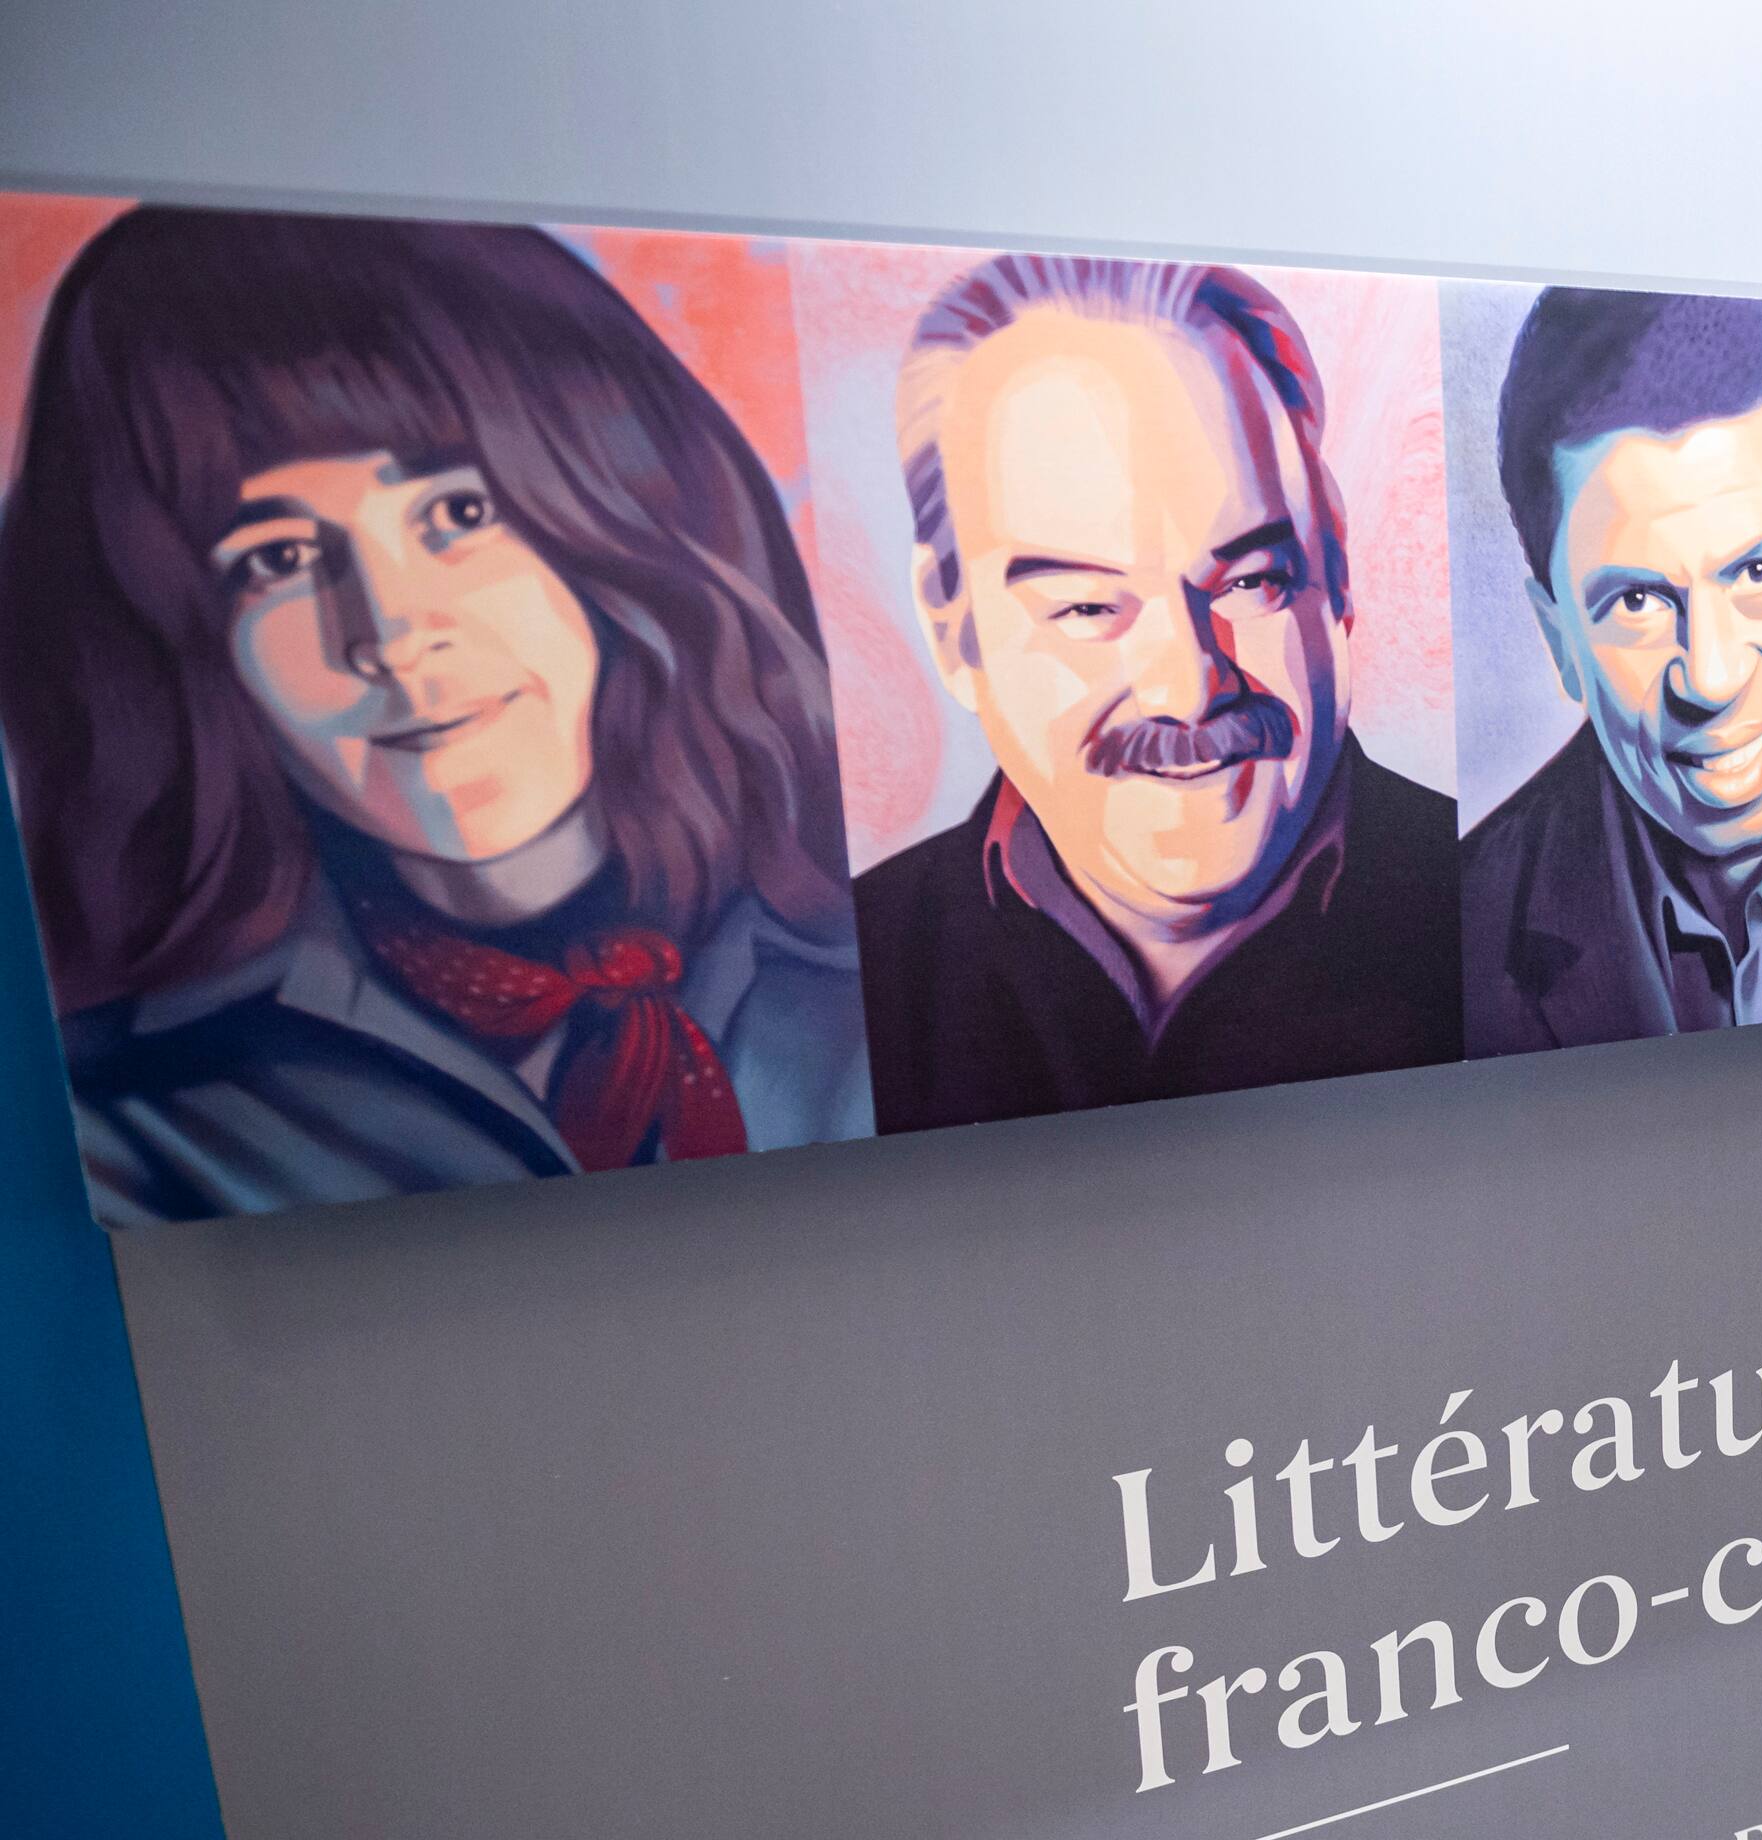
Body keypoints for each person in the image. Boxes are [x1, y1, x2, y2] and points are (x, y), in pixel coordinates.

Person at [0, 209, 870, 1222]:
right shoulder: (138, 1122)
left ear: (622, 524)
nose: (391, 632)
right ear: (176, 641)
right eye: (277, 560)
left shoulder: (880, 971)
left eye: (456, 515)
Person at [856, 255, 1458, 1133]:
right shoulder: (849, 980)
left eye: (1251, 582)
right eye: (1090, 605)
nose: (1188, 688)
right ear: (955, 630)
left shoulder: (1490, 905)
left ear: (1338, 573)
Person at [1460, 290, 1762, 1054]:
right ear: (1559, 640)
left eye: (1757, 572)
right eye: (1638, 599)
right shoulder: (1474, 918)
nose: (1711, 677)